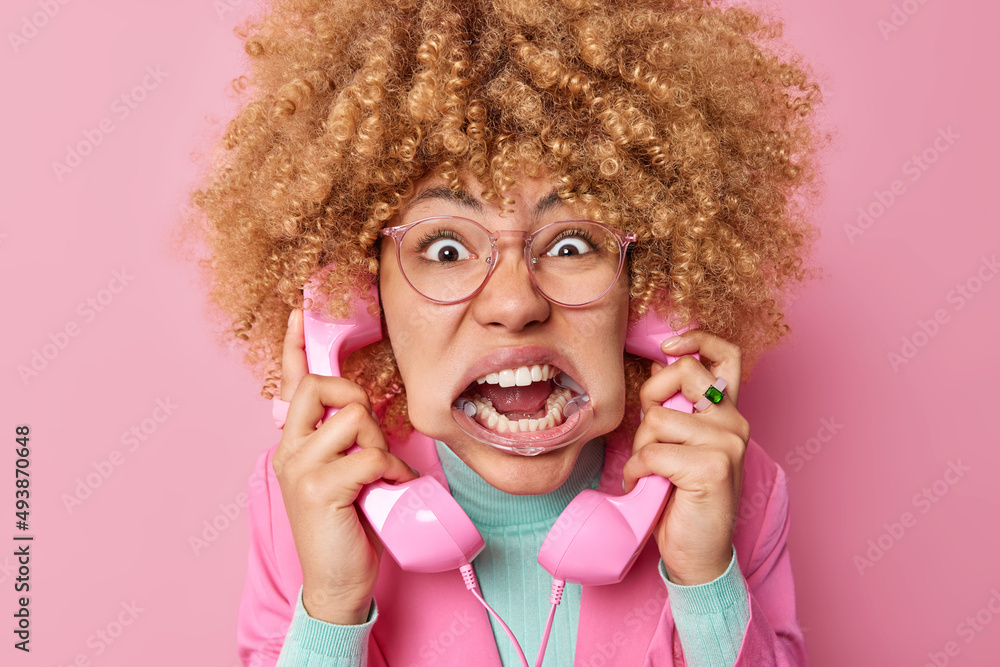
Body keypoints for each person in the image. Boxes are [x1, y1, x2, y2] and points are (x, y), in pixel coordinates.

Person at [185, 0, 825, 664]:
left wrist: (705, 584)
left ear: (648, 291)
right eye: (444, 250)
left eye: (573, 244)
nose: (516, 302)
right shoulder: (310, 499)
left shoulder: (732, 490)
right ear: (361, 298)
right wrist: (332, 608)